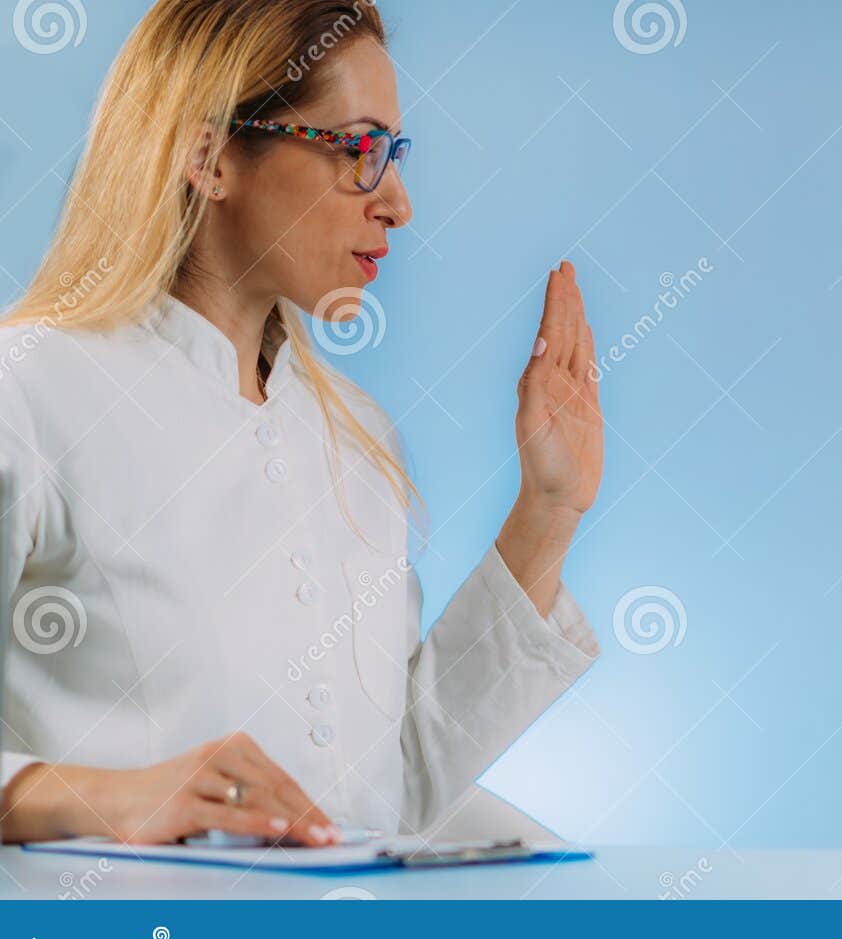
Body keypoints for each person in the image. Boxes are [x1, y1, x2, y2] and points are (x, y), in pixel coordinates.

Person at [0, 0, 604, 846]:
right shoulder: (30, 388)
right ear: (210, 157)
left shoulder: (358, 435)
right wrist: (107, 798)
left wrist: (549, 511)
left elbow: (392, 791)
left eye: (394, 154)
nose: (398, 202)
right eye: (359, 150)